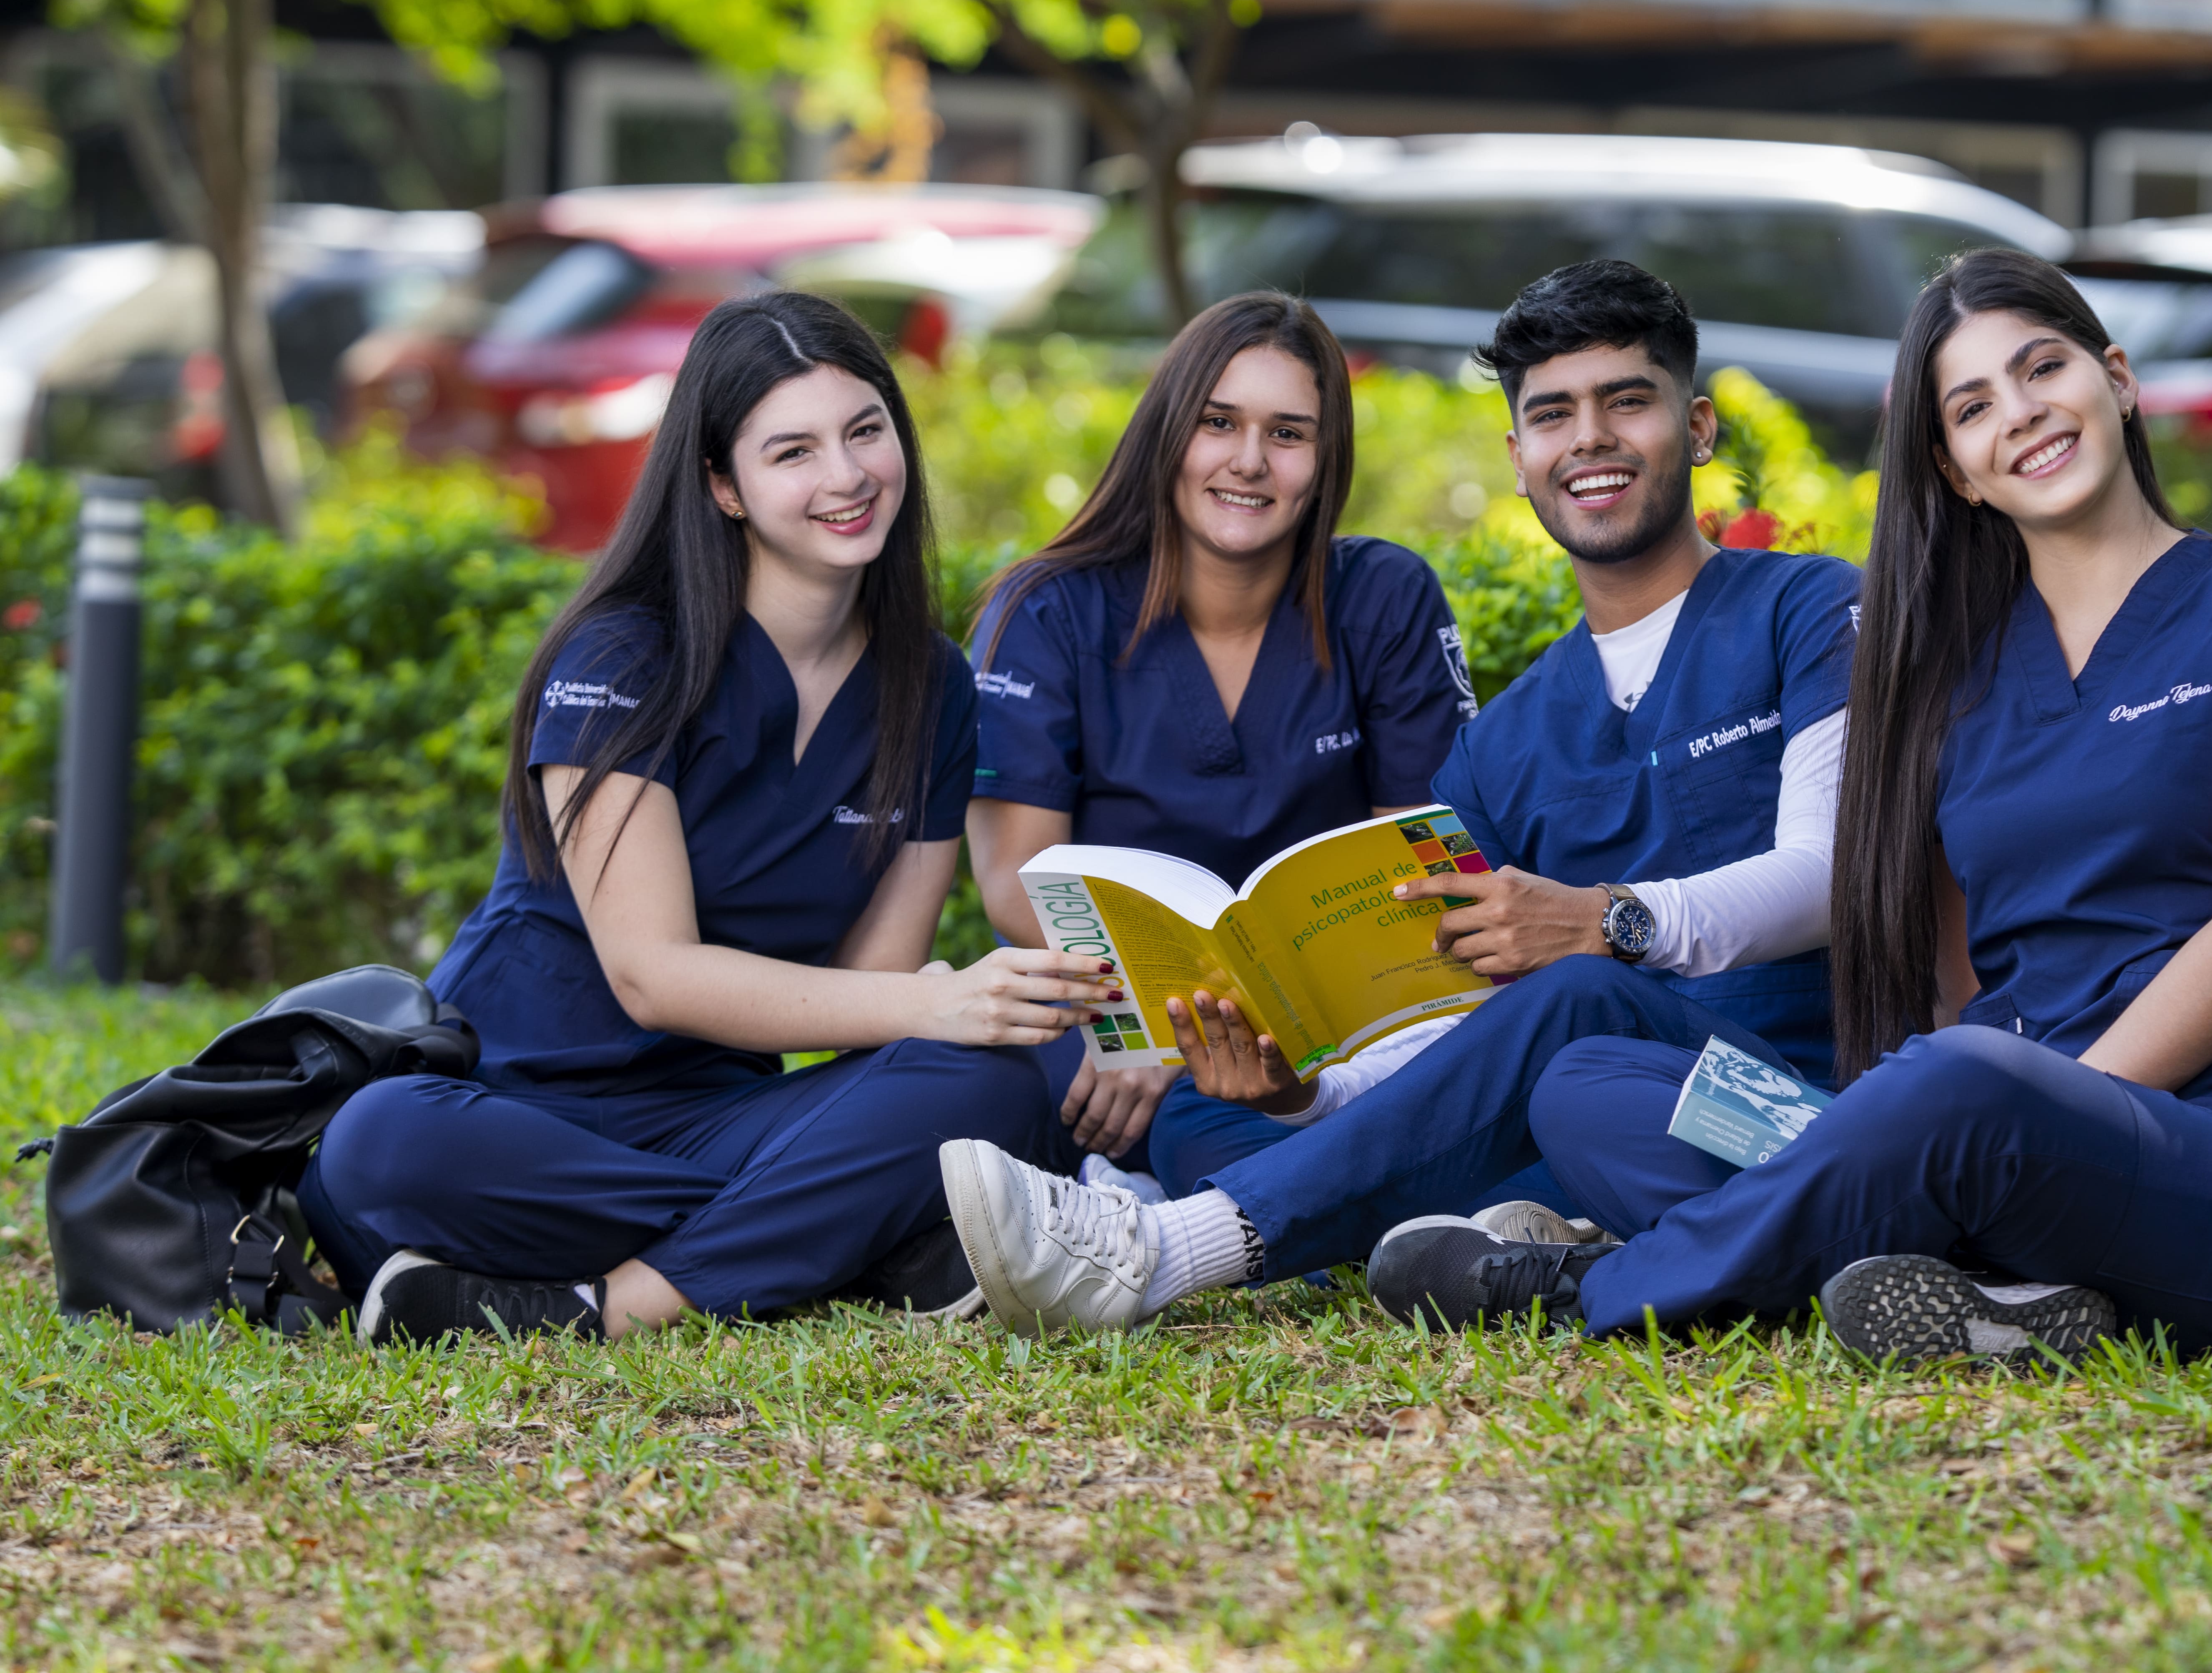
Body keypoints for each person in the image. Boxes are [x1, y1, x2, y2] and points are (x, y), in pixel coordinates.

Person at [1366, 246, 2212, 1363]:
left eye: (2044, 370)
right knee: (1593, 1087)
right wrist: (1972, 1133)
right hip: (1989, 1136)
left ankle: (1602, 1287)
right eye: (1974, 406)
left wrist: (2040, 1117)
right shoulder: (1948, 674)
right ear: (1953, 467)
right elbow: (1957, 984)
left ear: (2121, 380)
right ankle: (1988, 1288)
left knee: (1962, 1087)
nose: (2023, 416)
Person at [934, 258, 1863, 1331]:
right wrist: (1303, 1089)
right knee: (1214, 1116)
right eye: (1554, 415)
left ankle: (1166, 1251)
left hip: (1791, 1107)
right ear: (1519, 460)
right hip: (1597, 1123)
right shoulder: (1507, 744)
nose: (1591, 440)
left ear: (1696, 428)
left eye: (1627, 403)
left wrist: (1608, 919)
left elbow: (1830, 876)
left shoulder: (1808, 606)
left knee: (1571, 1004)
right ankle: (1569, 1243)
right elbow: (1452, 1011)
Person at [301, 292, 1116, 1344]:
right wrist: (935, 1004)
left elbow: (872, 991)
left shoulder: (933, 686)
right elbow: (655, 976)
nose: (847, 475)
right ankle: (839, 1240)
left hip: (723, 1120)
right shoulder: (625, 655)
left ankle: (616, 1303)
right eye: (794, 451)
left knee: (1014, 1076)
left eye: (866, 430)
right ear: (723, 485)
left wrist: (960, 1011)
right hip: (515, 1117)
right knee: (376, 1143)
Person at [963, 292, 1475, 1191]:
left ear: (1325, 459)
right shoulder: (1047, 611)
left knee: (1238, 1122)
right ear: (1169, 433)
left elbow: (1417, 877)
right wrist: (1168, 1027)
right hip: (1110, 1010)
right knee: (991, 1095)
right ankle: (1311, 1190)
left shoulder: (1385, 598)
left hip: (1335, 1024)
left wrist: (1233, 1026)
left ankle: (1185, 1194)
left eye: (1288, 433)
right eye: (1218, 422)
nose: (1248, 461)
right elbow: (1015, 882)